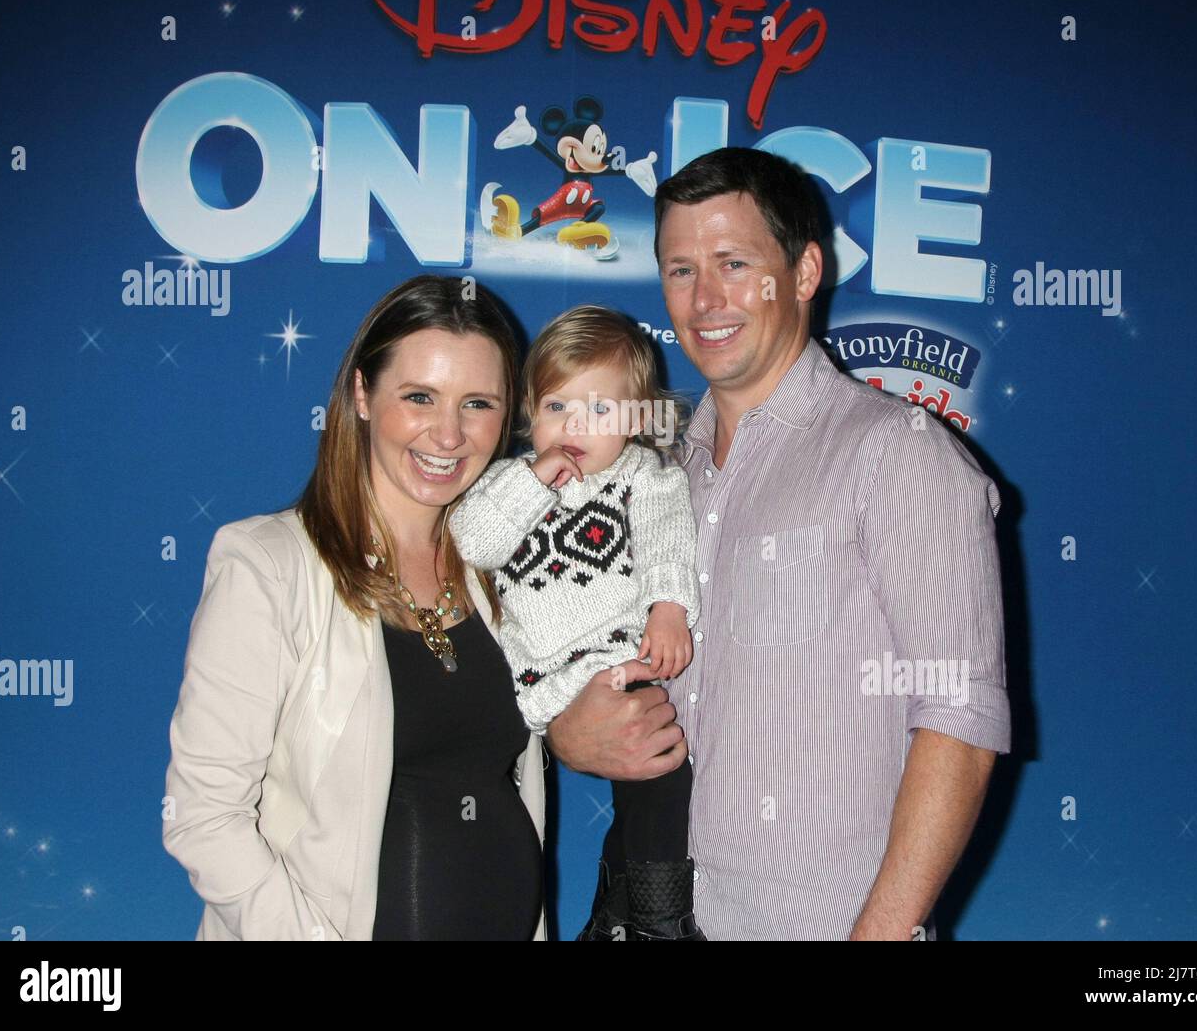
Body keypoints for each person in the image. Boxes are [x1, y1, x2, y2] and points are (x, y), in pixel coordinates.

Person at [543, 147, 1011, 939]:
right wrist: (568, 728)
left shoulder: (895, 452)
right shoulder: (656, 477)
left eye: (734, 262)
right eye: (681, 269)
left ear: (802, 273)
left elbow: (959, 720)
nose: (706, 299)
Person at [162, 275, 547, 940]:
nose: (449, 433)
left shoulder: (504, 570)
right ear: (363, 395)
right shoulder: (269, 566)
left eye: (478, 403)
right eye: (419, 396)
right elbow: (202, 816)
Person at [449, 305, 705, 940]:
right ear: (530, 412)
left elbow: (669, 546)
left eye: (600, 410)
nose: (575, 427)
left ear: (638, 418)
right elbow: (472, 541)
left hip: (622, 662)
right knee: (646, 777)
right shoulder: (507, 481)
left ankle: (637, 912)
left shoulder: (645, 476)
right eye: (558, 407)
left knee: (657, 774)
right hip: (540, 680)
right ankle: (648, 913)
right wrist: (533, 483)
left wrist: (669, 609)